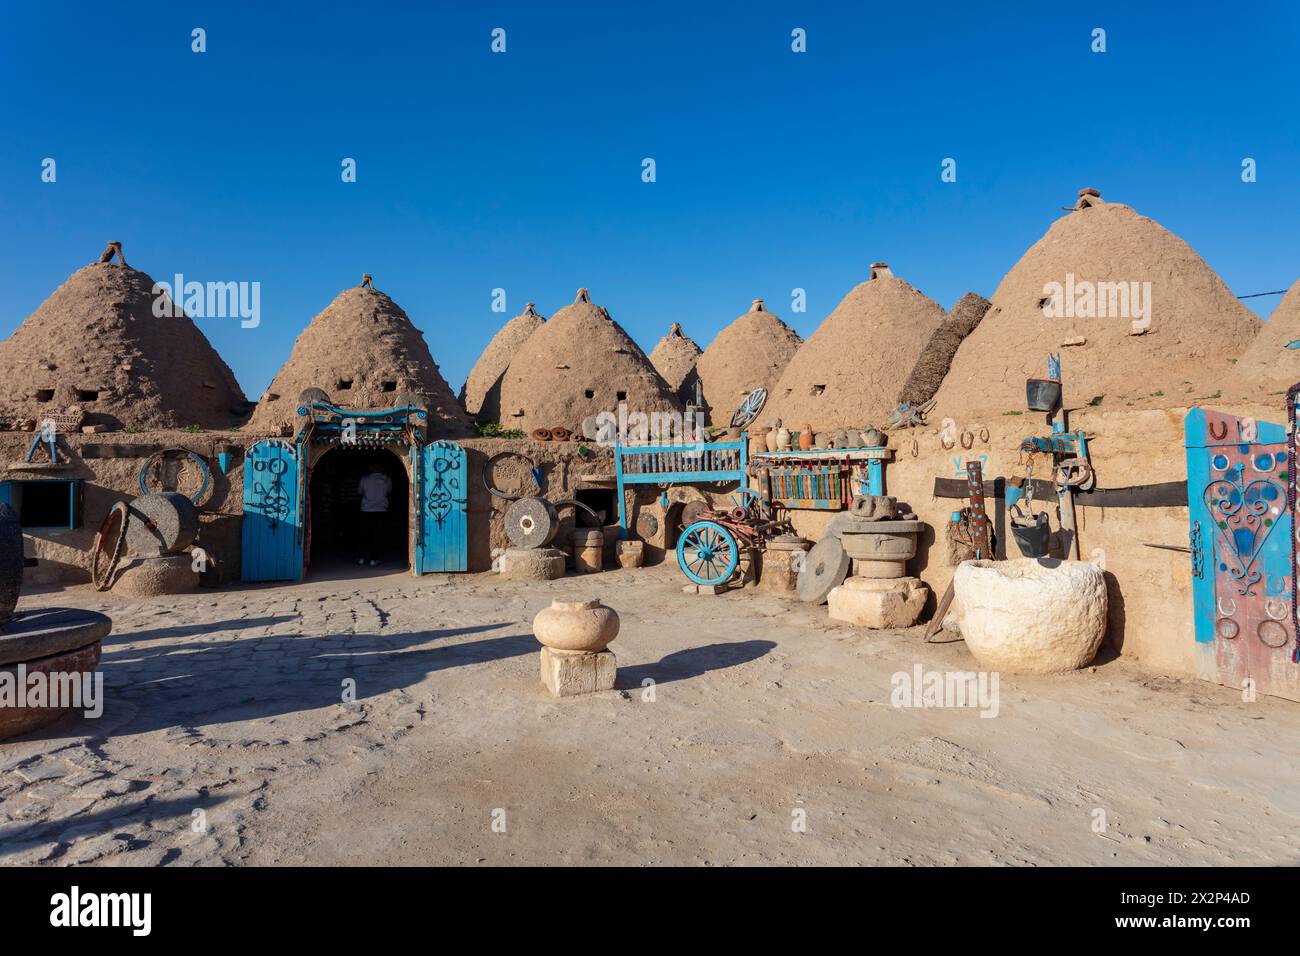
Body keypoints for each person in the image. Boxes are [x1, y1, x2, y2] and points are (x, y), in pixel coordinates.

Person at [356, 465, 392, 567]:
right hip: (381, 510)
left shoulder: (364, 480)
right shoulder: (387, 480)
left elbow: (359, 492)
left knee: (364, 535)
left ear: (371, 468)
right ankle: (374, 559)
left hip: (366, 510)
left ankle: (361, 558)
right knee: (377, 535)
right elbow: (389, 492)